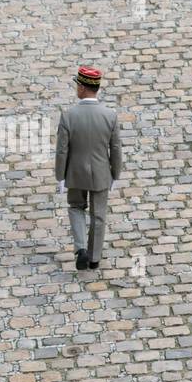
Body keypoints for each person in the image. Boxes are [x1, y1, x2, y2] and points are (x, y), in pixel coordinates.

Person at [55, 66, 121, 271]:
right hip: (101, 173)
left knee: (76, 207)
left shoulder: (68, 116)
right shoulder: (110, 115)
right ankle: (94, 258)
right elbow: (116, 148)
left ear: (83, 88)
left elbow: (61, 150)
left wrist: (60, 176)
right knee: (98, 215)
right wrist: (115, 174)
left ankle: (80, 248)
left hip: (75, 172)